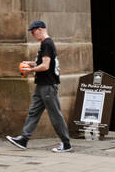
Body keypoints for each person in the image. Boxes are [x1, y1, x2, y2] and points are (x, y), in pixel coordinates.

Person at [6, 20, 71, 153]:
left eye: (33, 32)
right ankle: (23, 139)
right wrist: (31, 64)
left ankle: (66, 143)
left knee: (55, 115)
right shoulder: (45, 44)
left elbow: (45, 66)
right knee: (33, 112)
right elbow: (44, 63)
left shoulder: (47, 43)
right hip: (41, 85)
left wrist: (30, 71)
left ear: (40, 29)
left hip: (48, 86)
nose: (33, 35)